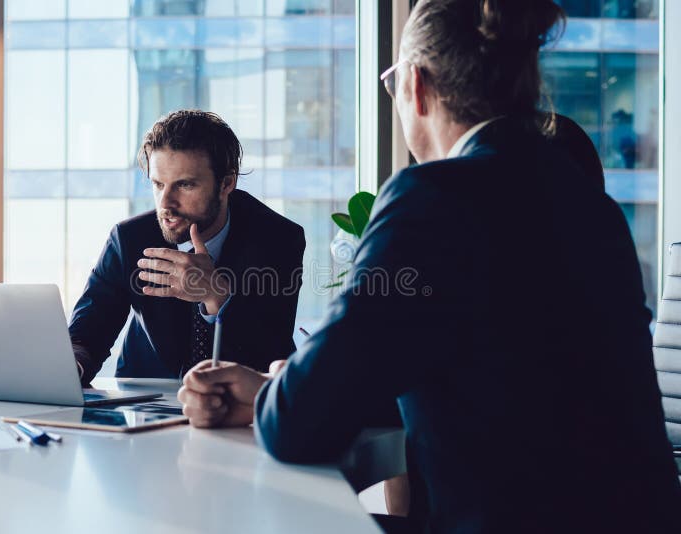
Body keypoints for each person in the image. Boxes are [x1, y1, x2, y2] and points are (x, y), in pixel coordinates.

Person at [178, 1, 681, 533]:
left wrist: (283, 388)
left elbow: (295, 427)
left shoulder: (435, 197)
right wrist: (275, 388)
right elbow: (501, 384)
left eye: (392, 84)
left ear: (415, 85)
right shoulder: (591, 206)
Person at [69, 110, 305, 383]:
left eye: (185, 185)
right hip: (145, 394)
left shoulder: (278, 239)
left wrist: (217, 297)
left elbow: (269, 351)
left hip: (236, 398)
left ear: (226, 183)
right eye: (158, 184)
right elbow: (86, 335)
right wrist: (71, 366)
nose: (165, 203)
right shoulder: (129, 239)